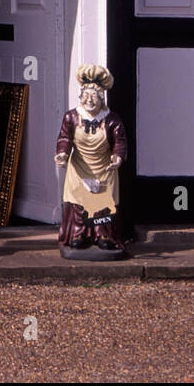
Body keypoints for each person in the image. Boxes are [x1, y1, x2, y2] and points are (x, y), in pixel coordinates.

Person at [56, 64, 129, 257]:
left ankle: (103, 235)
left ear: (101, 98)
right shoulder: (71, 117)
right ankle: (79, 234)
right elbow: (65, 138)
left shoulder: (112, 119)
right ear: (80, 96)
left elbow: (119, 141)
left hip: (104, 167)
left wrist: (117, 157)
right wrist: (63, 154)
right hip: (79, 166)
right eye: (86, 96)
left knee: (103, 203)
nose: (89, 100)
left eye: (94, 96)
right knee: (79, 201)